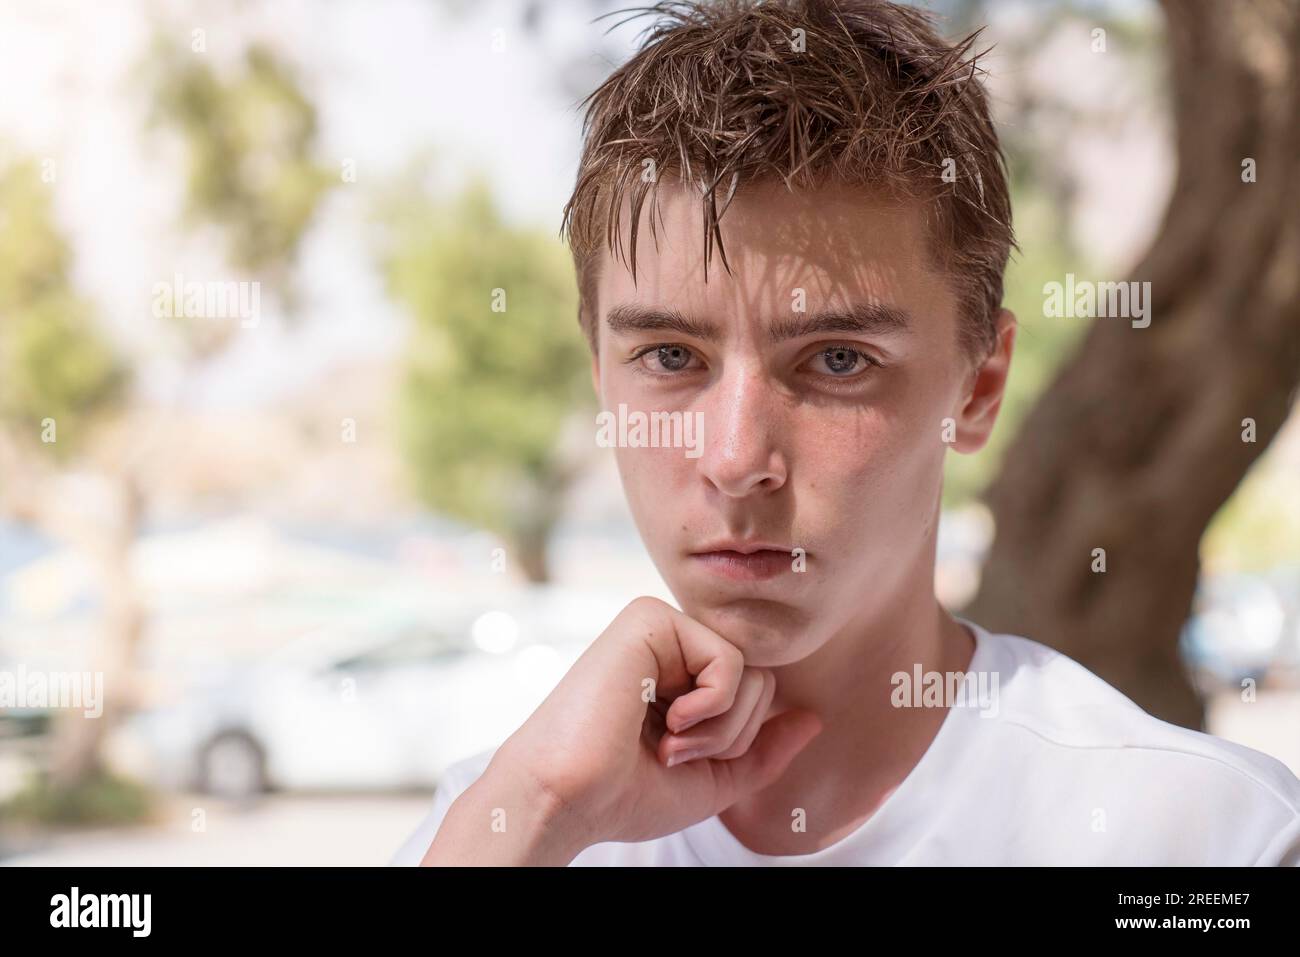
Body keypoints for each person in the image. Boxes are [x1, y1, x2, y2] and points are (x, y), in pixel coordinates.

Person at [392, 0, 1300, 866]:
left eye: (836, 361)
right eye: (670, 358)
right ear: (601, 377)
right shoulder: (505, 820)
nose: (738, 459)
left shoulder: (1203, 840)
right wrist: (544, 808)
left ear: (978, 387)